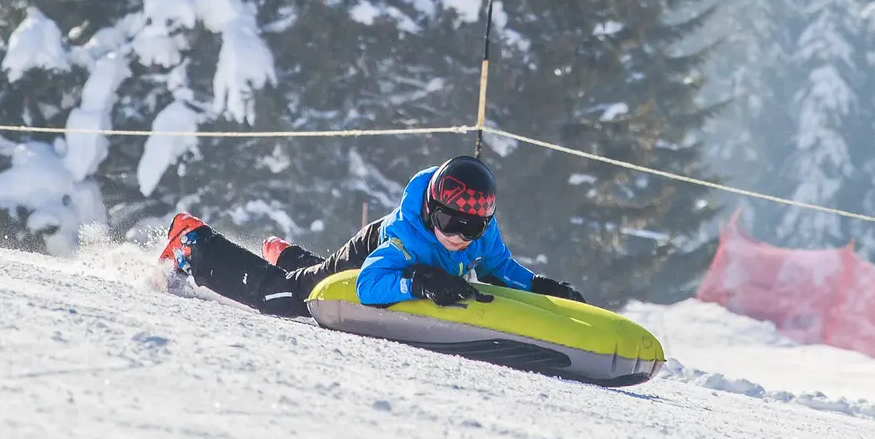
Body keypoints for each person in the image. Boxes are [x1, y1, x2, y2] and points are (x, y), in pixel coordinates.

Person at [156, 154, 587, 316]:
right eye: (450, 223)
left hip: (386, 258)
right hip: (367, 255)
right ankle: (194, 242)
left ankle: (285, 253)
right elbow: (368, 284)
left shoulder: (480, 234)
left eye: (472, 227)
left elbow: (500, 268)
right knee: (287, 298)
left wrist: (540, 286)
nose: (460, 237)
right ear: (431, 211)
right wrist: (417, 281)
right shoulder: (406, 236)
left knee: (310, 276)